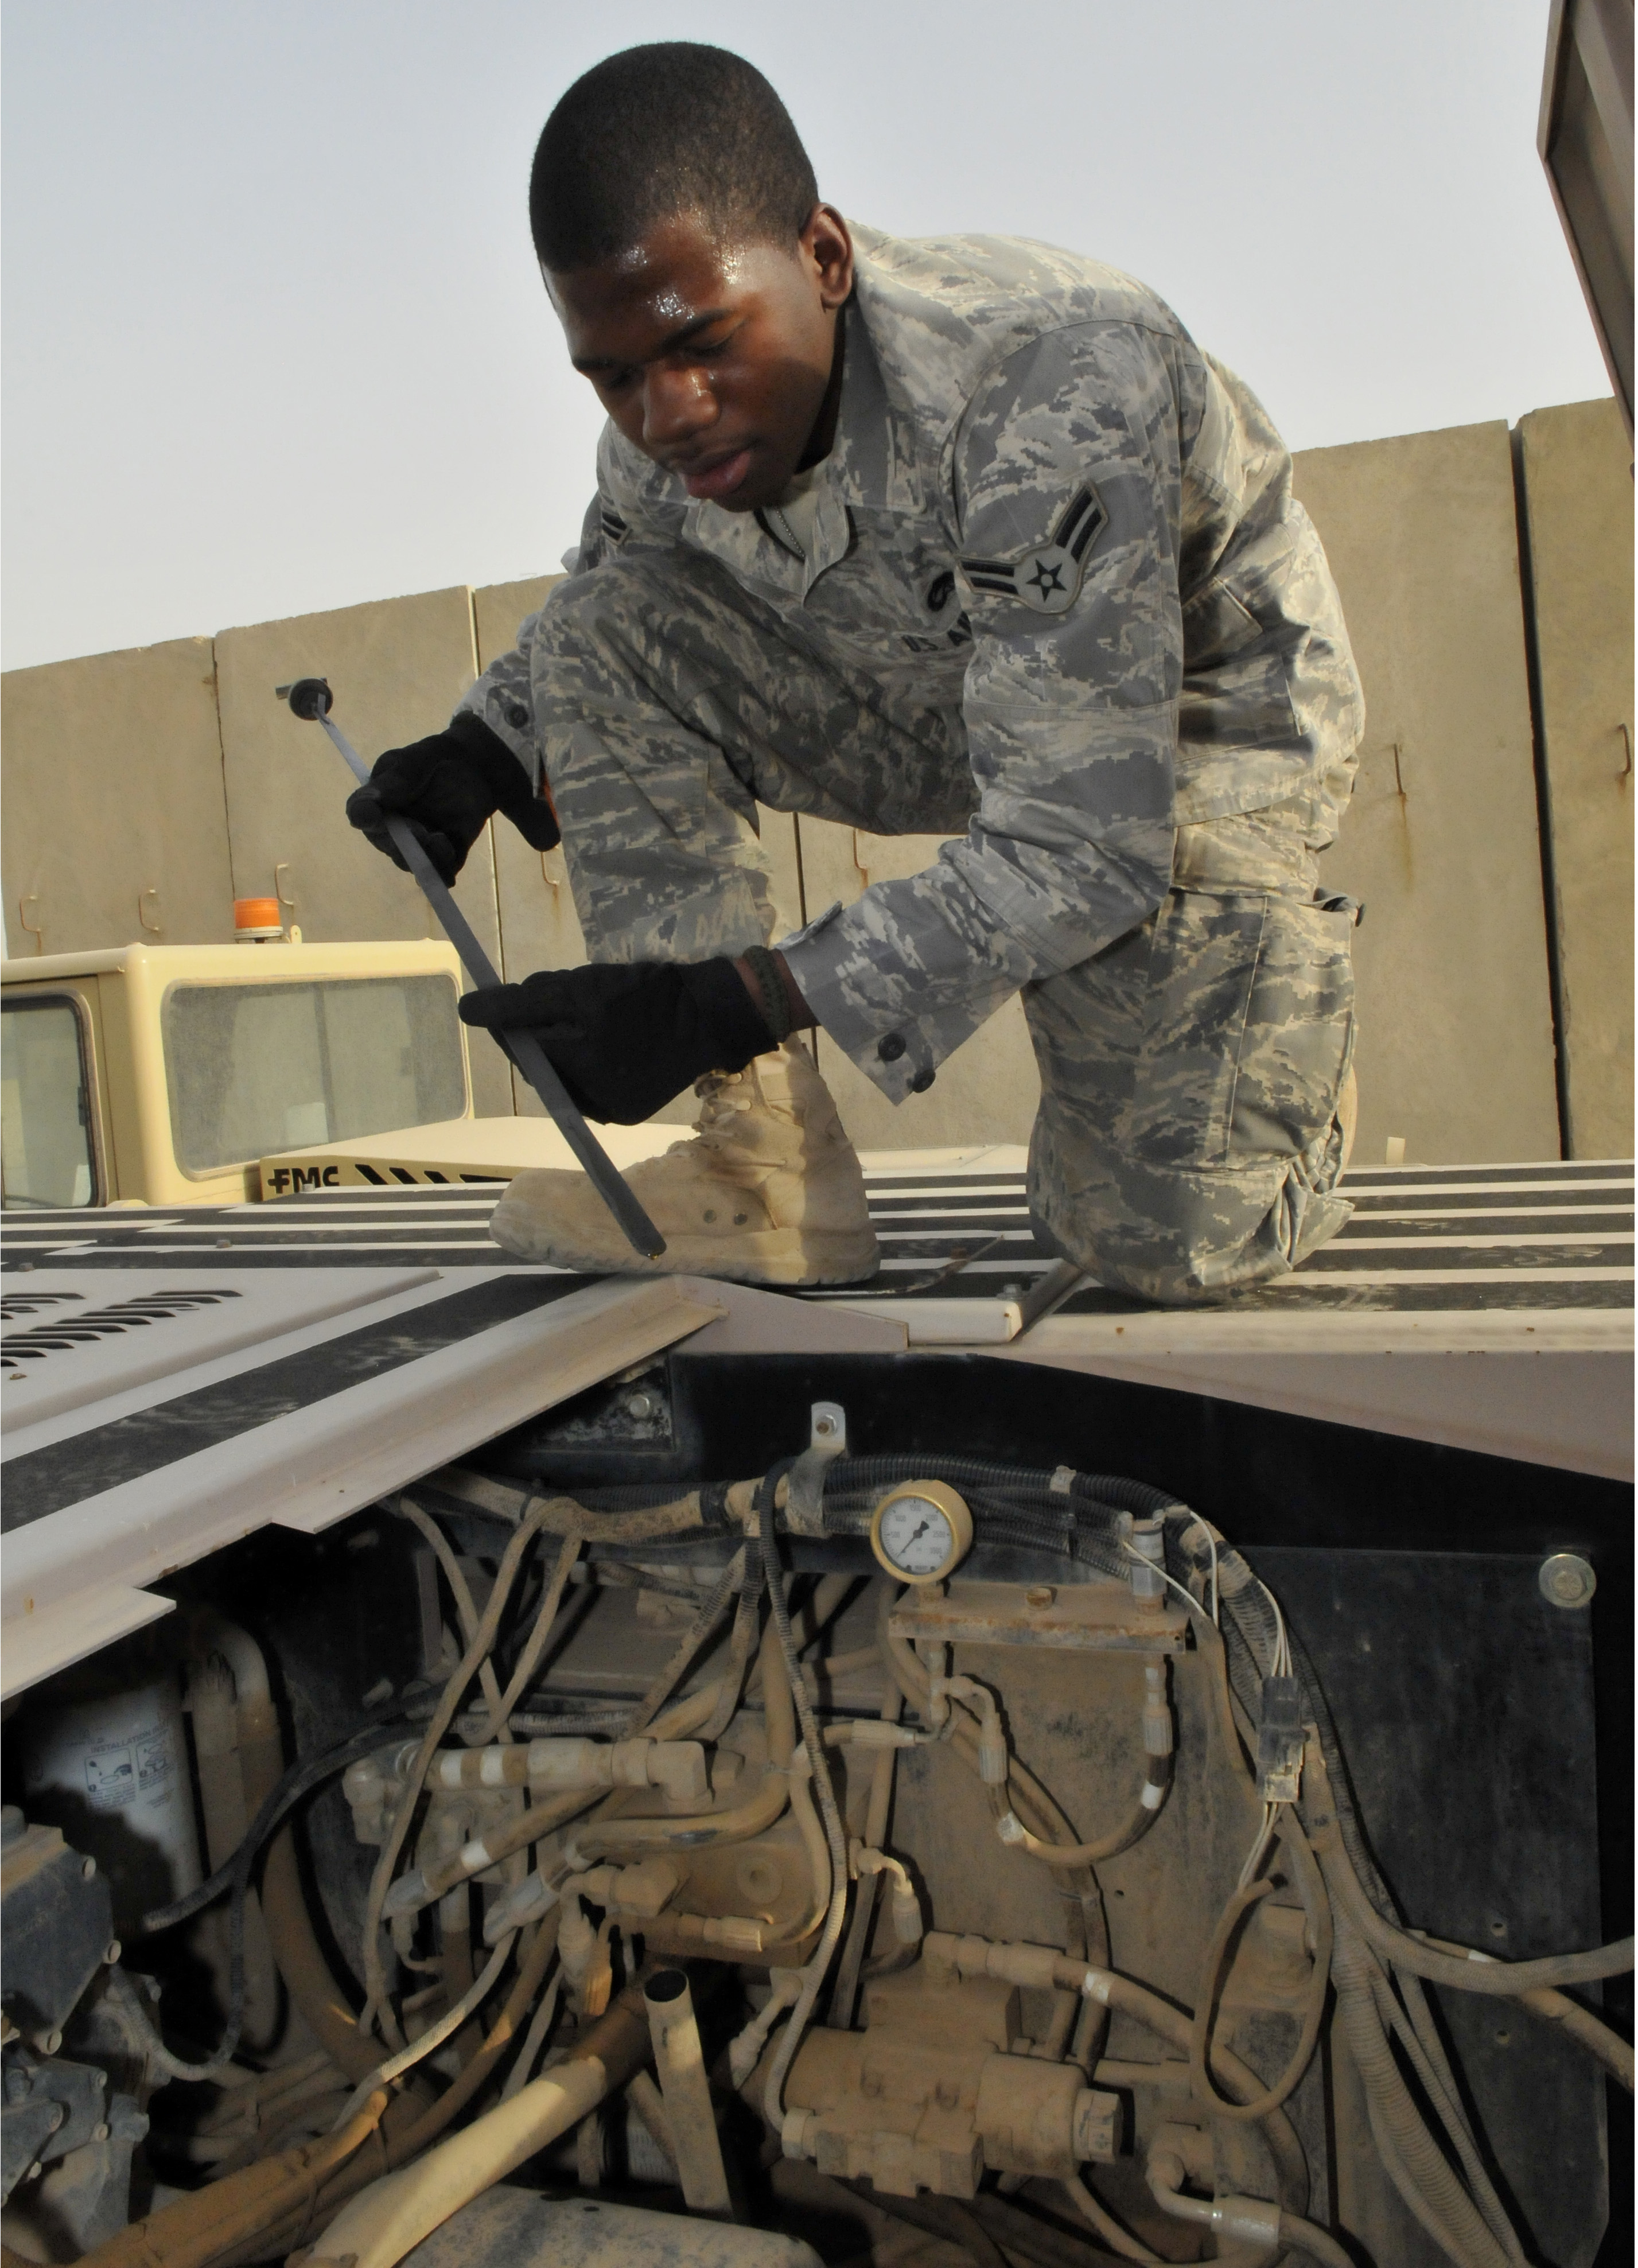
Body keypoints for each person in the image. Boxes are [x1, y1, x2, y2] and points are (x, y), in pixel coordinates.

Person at [347, 41, 1364, 1306]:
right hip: (941, 694)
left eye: (702, 344)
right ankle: (763, 1168)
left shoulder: (1049, 380)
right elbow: (605, 583)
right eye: (614, 376)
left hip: (1182, 738)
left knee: (1158, 1235)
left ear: (824, 258)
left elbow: (1081, 844)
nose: (667, 415)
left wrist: (739, 997)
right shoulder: (666, 441)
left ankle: (1272, 1031)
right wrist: (486, 748)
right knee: (602, 628)